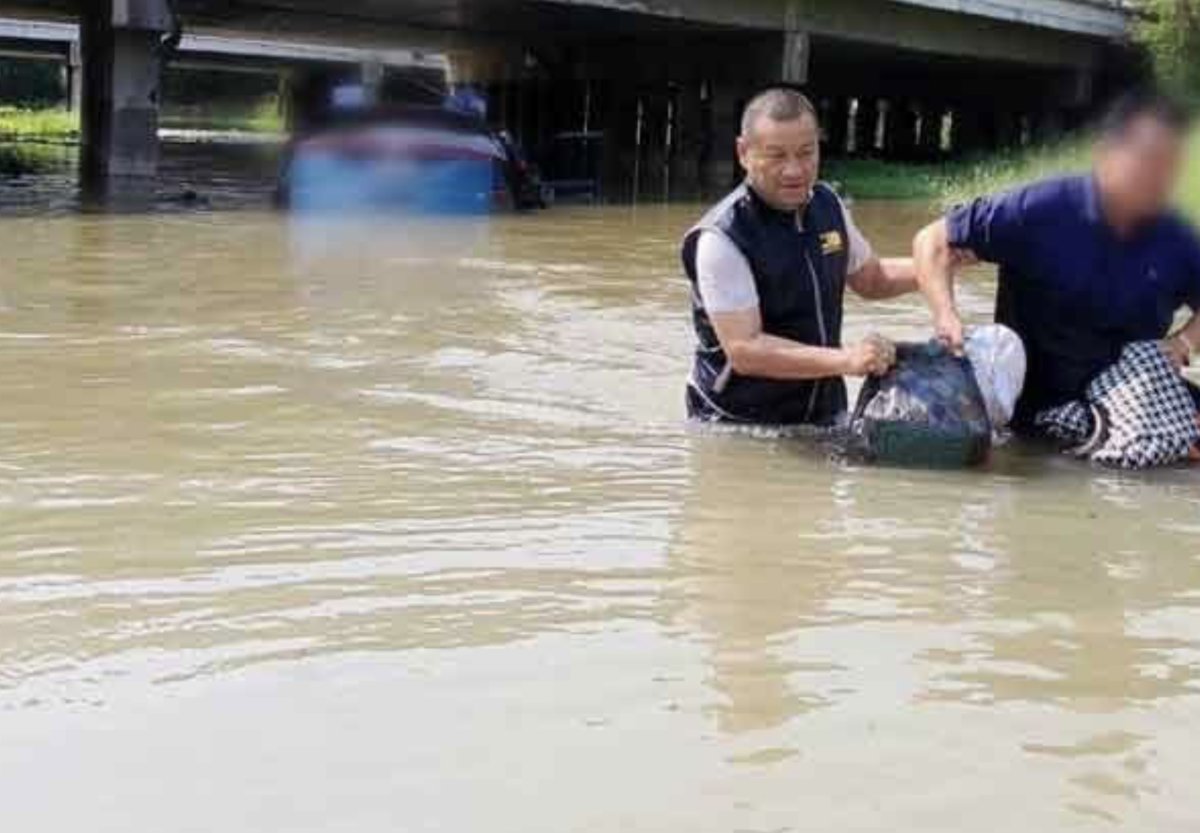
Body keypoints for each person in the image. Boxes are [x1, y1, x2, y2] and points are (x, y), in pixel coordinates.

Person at [913, 90, 1200, 434]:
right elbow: (932, 240)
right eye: (1145, 161)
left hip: (1130, 400)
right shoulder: (1039, 208)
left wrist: (1183, 343)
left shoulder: (1178, 237)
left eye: (1167, 165)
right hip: (1030, 406)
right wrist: (946, 316)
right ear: (1106, 155)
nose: (1155, 177)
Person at [682, 88, 918, 426]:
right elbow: (745, 349)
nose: (794, 170)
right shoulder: (723, 238)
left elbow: (872, 278)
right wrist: (847, 360)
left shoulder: (827, 205)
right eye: (776, 155)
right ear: (743, 153)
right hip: (737, 425)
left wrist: (942, 262)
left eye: (806, 153)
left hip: (822, 415)